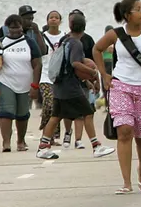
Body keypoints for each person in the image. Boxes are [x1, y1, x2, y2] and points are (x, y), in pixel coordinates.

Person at [95, 0, 141, 194]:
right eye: (138, 9)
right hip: (121, 86)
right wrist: (104, 75)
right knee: (125, 131)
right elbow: (96, 49)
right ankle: (126, 182)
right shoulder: (116, 34)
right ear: (127, 15)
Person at [36, 13, 115, 161]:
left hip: (59, 84)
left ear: (70, 26)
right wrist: (92, 72)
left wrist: (87, 82)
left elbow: (67, 65)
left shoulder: (65, 40)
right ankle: (96, 146)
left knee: (55, 116)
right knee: (88, 112)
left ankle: (43, 147)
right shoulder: (76, 43)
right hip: (70, 86)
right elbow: (75, 64)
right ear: (84, 28)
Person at [0, 14, 42, 153]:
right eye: (11, 28)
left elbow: (37, 64)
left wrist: (35, 85)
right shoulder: (0, 43)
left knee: (22, 114)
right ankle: (6, 142)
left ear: (21, 27)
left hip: (26, 83)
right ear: (7, 28)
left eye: (17, 27)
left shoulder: (29, 42)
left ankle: (21, 141)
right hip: (5, 81)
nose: (15, 30)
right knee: (6, 112)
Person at [38, 10, 65, 142]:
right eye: (51, 17)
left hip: (59, 77)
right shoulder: (41, 37)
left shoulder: (65, 37)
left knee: (56, 105)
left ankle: (52, 136)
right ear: (47, 20)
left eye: (56, 17)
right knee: (48, 104)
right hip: (44, 75)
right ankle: (44, 129)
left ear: (60, 21)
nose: (53, 19)